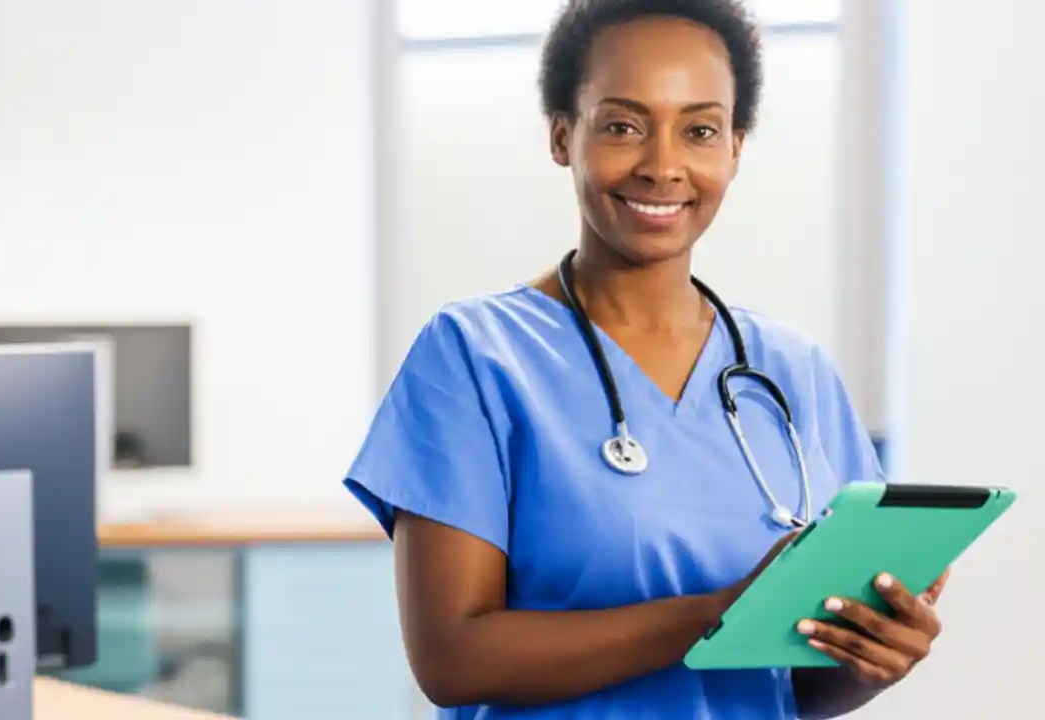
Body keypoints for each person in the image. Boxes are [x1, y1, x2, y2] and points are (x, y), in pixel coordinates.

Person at [343, 0, 947, 717]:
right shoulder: (475, 356)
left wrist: (874, 660)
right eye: (623, 126)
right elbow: (453, 659)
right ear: (563, 135)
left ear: (735, 148)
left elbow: (791, 686)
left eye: (700, 130)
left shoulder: (792, 371)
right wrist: (720, 613)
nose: (663, 166)